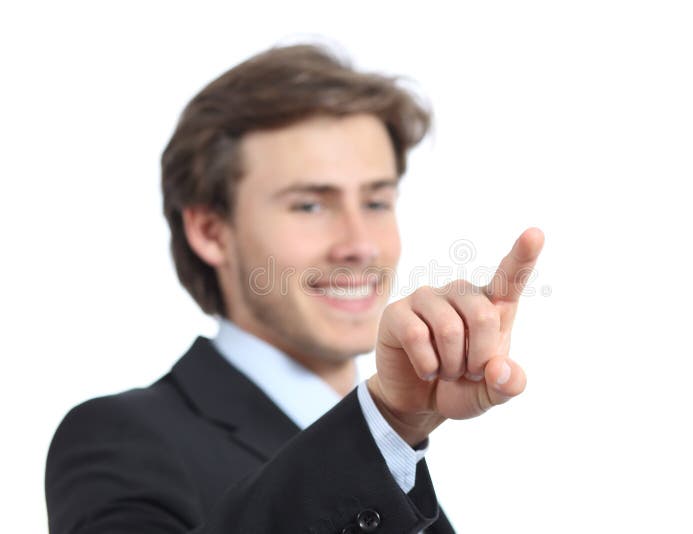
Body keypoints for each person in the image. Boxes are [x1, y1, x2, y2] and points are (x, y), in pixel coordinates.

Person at [45, 43, 545, 533]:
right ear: (210, 231)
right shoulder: (119, 440)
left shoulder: (403, 467)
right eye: (310, 205)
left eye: (376, 202)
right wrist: (385, 420)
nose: (360, 245)